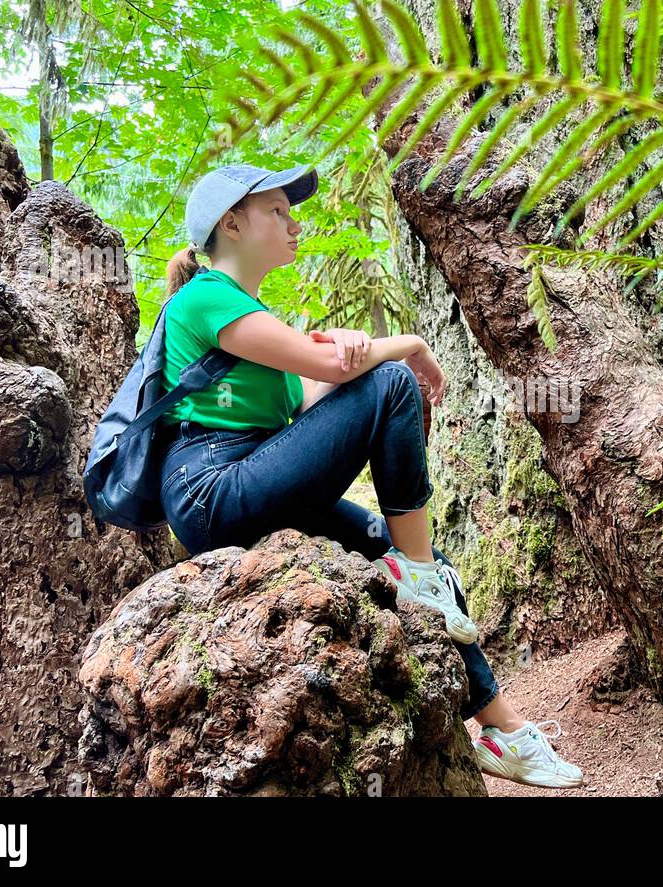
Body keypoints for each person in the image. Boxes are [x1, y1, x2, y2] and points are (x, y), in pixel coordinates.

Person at [156, 162, 583, 790]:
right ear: (233, 223)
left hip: (254, 478)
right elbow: (322, 364)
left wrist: (352, 354)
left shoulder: (248, 313)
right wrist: (406, 344)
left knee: (397, 543)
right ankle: (421, 578)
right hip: (213, 488)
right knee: (392, 381)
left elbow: (312, 391)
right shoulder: (205, 295)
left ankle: (503, 731)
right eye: (278, 211)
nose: (293, 223)